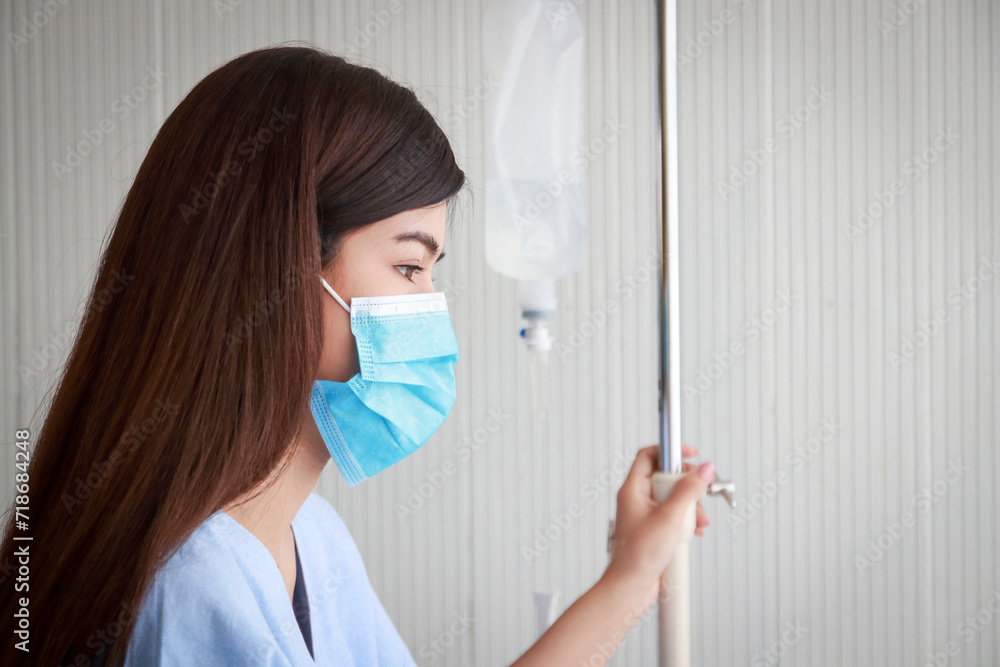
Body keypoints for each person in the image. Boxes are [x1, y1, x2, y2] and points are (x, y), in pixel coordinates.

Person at [0, 45, 714, 666]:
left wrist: (631, 571)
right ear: (275, 271)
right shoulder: (196, 591)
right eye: (409, 268)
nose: (432, 306)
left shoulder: (308, 536)